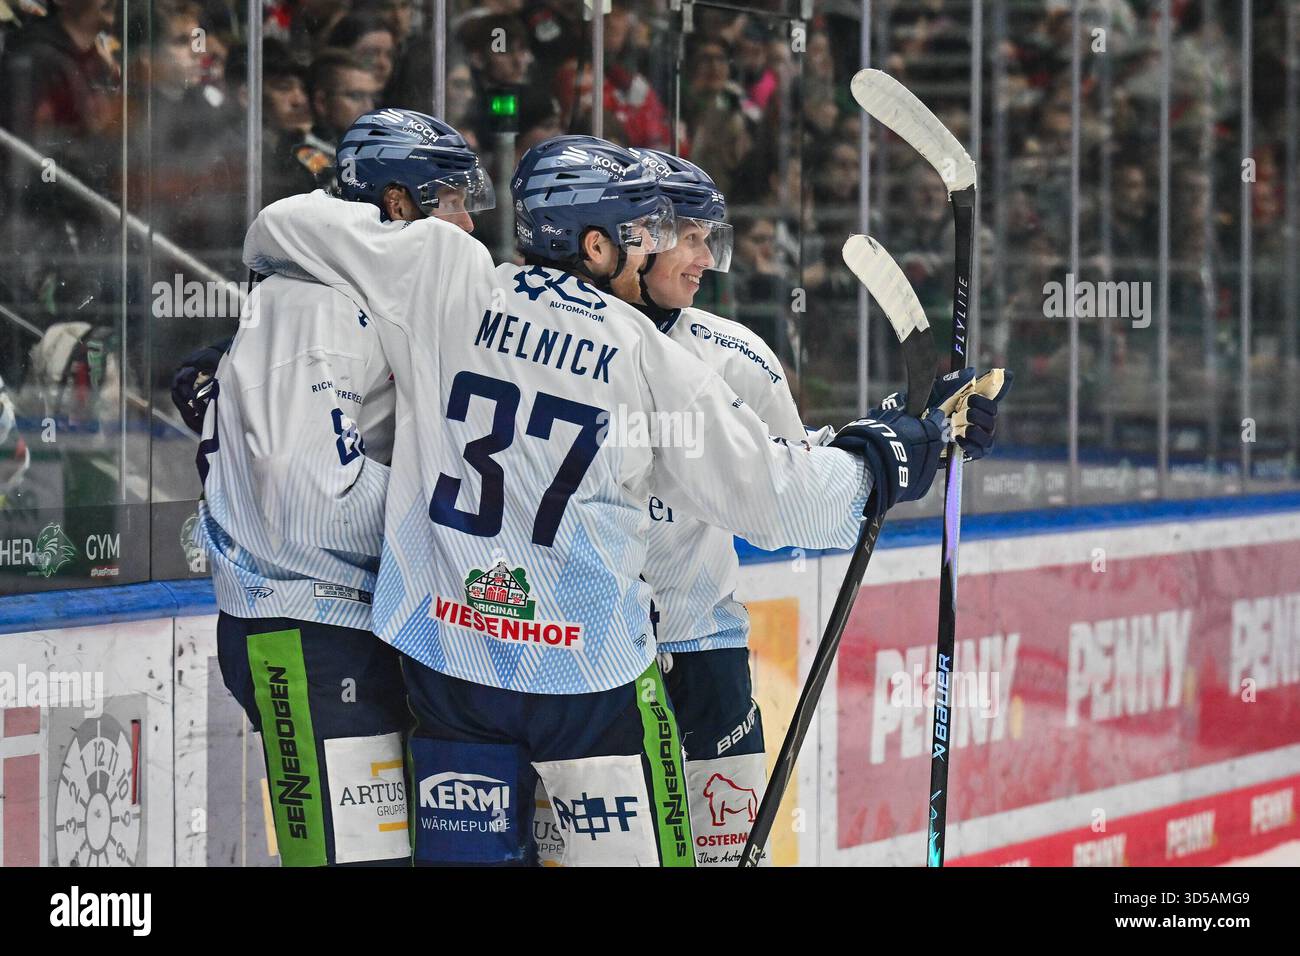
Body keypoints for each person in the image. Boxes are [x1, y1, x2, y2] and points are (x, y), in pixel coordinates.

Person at [242, 133, 949, 866]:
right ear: (597, 246)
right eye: (644, 233)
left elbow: (283, 227)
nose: (659, 248)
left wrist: (266, 294)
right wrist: (885, 459)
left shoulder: (444, 276)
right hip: (585, 681)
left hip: (448, 665)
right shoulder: (642, 354)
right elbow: (783, 504)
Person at [622, 150, 1009, 865]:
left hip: (701, 651)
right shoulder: (560, 343)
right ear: (635, 234)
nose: (709, 258)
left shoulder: (734, 355)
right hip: (592, 658)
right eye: (693, 237)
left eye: (715, 238)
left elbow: (789, 475)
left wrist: (904, 427)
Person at [182, 109, 494, 867]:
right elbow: (308, 499)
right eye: (453, 200)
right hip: (300, 632)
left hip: (345, 623)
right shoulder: (313, 303)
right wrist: (442, 504)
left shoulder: (351, 290)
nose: (470, 223)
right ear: (397, 204)